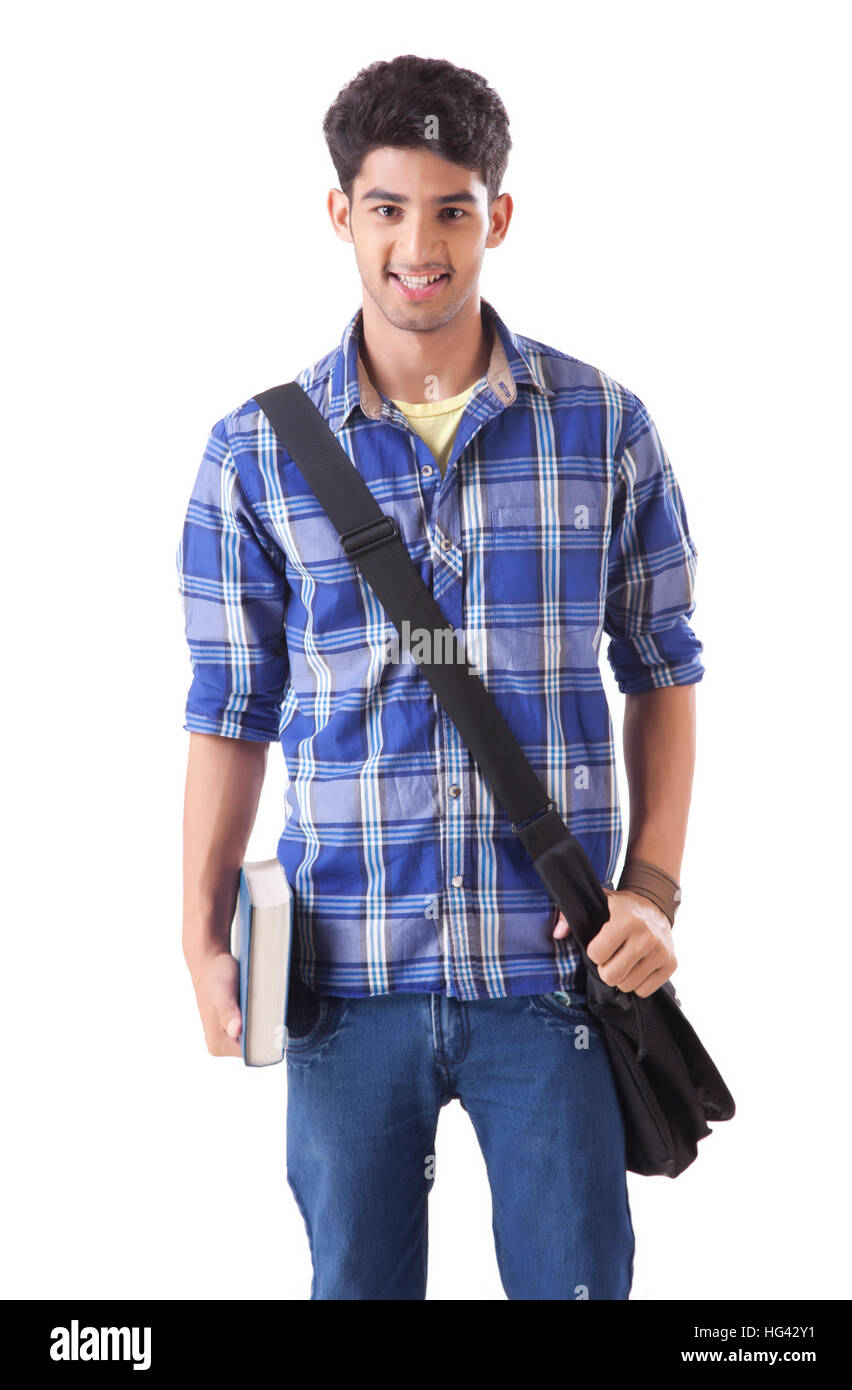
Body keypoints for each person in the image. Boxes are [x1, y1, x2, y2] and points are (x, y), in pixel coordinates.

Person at [176, 54, 704, 1301]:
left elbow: (665, 668)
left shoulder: (603, 425)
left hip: (554, 970)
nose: (420, 244)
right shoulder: (254, 453)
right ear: (340, 214)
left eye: (451, 208)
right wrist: (196, 932)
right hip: (341, 979)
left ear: (496, 216)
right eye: (388, 207)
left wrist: (654, 892)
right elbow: (227, 708)